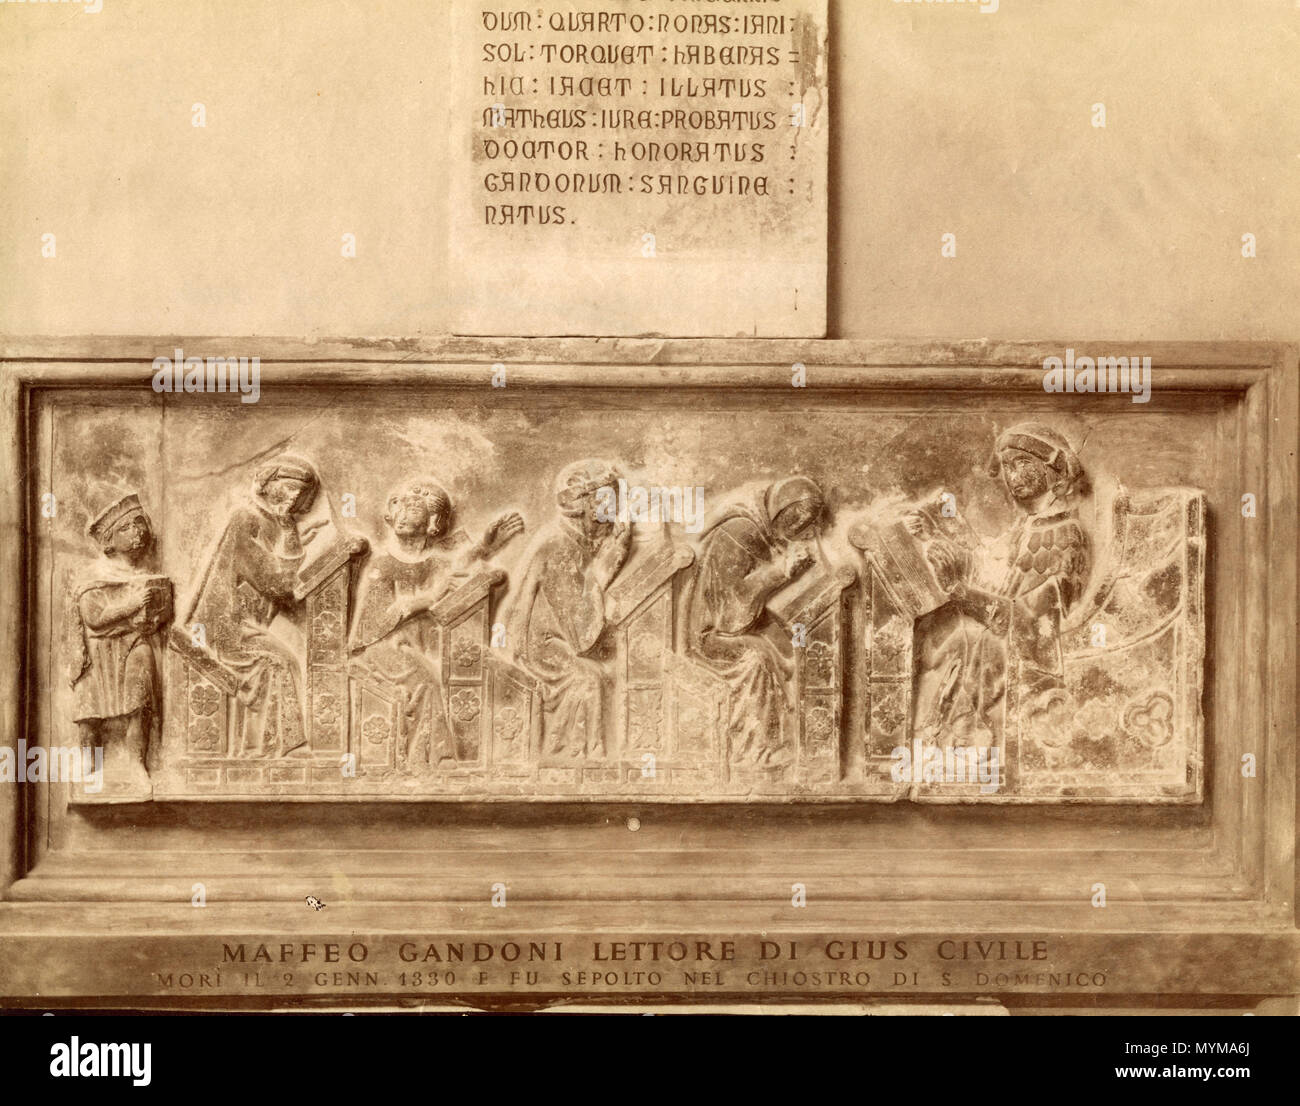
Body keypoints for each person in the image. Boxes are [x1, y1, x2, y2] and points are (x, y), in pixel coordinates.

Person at [909, 423, 1090, 749]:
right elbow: (996, 574)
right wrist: (932, 536)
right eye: (1007, 466)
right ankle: (934, 731)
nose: (1012, 474)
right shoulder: (1030, 526)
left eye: (1023, 463)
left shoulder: (1064, 533)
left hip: (1021, 653)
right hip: (1002, 637)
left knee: (954, 641)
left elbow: (1028, 621)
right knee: (934, 633)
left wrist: (959, 591)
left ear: (1054, 469)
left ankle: (963, 736)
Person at [349, 479, 523, 770]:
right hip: (383, 650)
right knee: (428, 681)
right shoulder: (382, 564)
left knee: (475, 671)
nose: (404, 513)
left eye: (414, 508)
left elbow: (455, 568)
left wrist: (484, 546)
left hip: (423, 647)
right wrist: (426, 599)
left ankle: (487, 757)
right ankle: (429, 762)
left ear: (433, 522)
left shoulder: (436, 563)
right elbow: (372, 627)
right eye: (400, 505)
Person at [185, 454, 343, 757]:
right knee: (279, 662)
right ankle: (269, 749)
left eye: (301, 492)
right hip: (221, 627)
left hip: (246, 624)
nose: (295, 496)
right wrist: (289, 532)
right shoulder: (245, 518)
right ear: (268, 483)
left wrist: (290, 535)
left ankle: (268, 747)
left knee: (283, 659)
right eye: (288, 487)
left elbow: (280, 578)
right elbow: (279, 585)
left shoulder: (268, 522)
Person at [681, 476, 826, 767]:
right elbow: (728, 616)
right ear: (779, 512)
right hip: (711, 637)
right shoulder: (739, 531)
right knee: (757, 661)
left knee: (797, 646)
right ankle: (755, 750)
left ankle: (808, 738)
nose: (797, 531)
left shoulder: (761, 530)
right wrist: (781, 571)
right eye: (794, 523)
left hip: (747, 623)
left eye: (804, 525)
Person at [512, 459, 632, 759]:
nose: (614, 509)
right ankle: (569, 756)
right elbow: (581, 634)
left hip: (565, 637)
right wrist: (609, 563)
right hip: (544, 648)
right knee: (589, 678)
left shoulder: (581, 541)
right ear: (580, 503)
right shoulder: (558, 545)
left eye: (616, 498)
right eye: (605, 498)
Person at [69, 493, 172, 796]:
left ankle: (137, 764)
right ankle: (89, 764)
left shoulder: (145, 577)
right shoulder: (93, 576)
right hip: (98, 655)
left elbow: (156, 618)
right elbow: (94, 617)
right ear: (109, 541)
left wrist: (154, 616)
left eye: (140, 524)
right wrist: (131, 604)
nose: (138, 532)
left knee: (139, 703)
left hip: (133, 645)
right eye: (127, 527)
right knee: (89, 712)